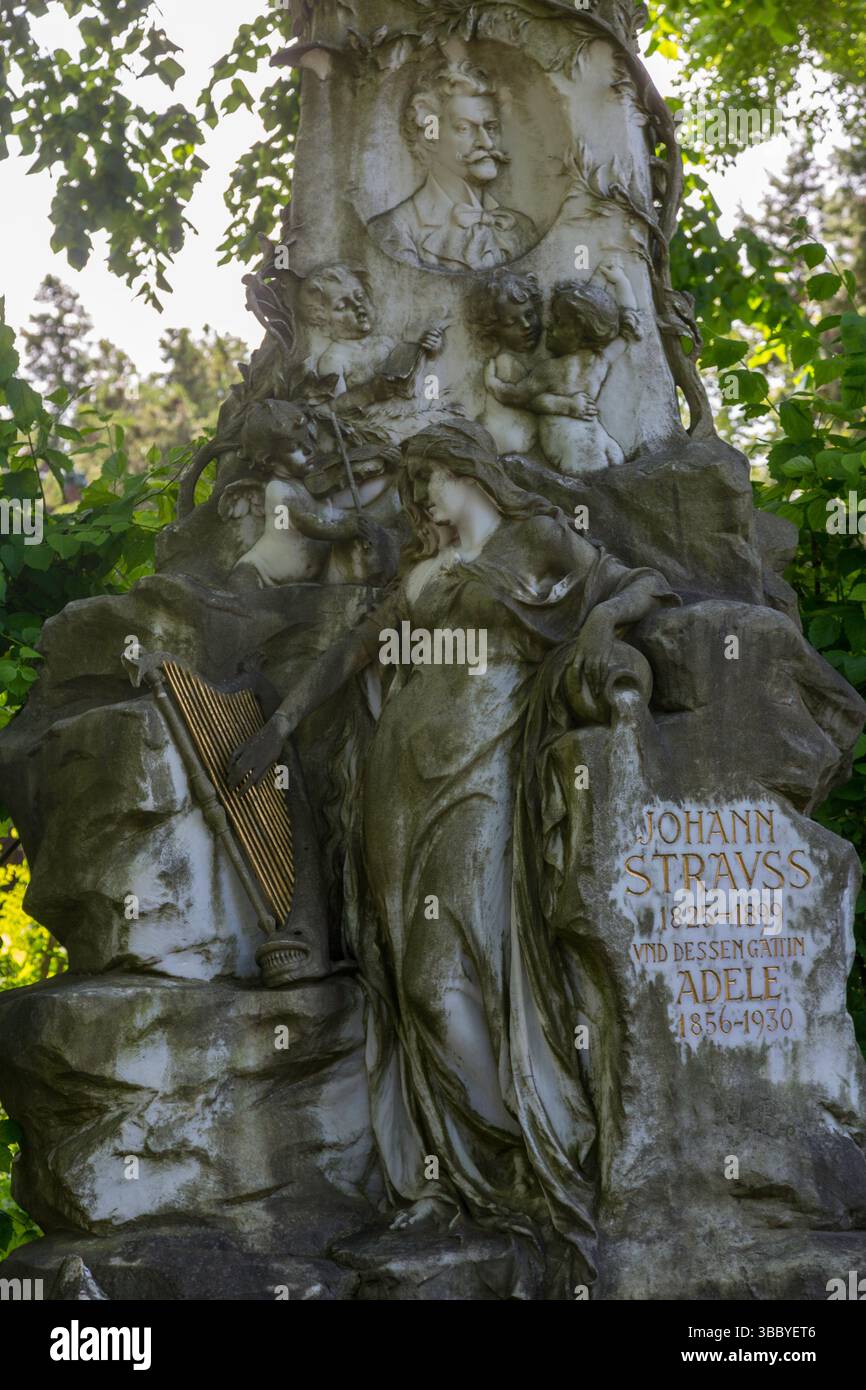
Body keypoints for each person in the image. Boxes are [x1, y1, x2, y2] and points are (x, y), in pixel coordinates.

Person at [227, 419, 677, 1286]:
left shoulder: (536, 539)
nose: (423, 493)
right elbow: (351, 653)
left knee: (452, 974)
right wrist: (278, 728)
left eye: (433, 474)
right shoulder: (420, 574)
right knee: (405, 973)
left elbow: (637, 583)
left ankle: (519, 1161)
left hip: (482, 770)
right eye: (414, 480)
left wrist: (597, 631)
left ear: (474, 468)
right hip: (398, 781)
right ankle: (439, 1185)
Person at [368, 61, 537, 272]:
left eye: (491, 128)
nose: (486, 143)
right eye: (464, 128)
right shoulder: (395, 230)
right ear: (430, 137)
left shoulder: (521, 228)